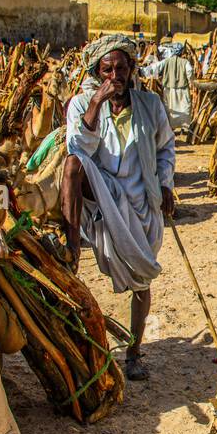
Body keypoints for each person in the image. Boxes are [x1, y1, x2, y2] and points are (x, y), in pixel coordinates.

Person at [61, 34, 176, 381]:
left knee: (142, 280)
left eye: (121, 68)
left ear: (131, 69)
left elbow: (164, 149)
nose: (115, 76)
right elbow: (78, 148)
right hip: (103, 195)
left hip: (142, 200)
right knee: (70, 166)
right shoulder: (82, 105)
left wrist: (167, 184)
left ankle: (135, 352)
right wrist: (97, 102)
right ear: (98, 72)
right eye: (107, 70)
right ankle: (71, 243)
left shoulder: (149, 105)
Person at [142, 40, 193, 135]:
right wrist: (191, 82)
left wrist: (143, 72)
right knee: (184, 107)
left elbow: (155, 68)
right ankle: (184, 128)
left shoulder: (166, 61)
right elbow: (190, 72)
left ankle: (171, 127)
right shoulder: (185, 62)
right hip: (182, 89)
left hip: (169, 89)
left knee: (170, 109)